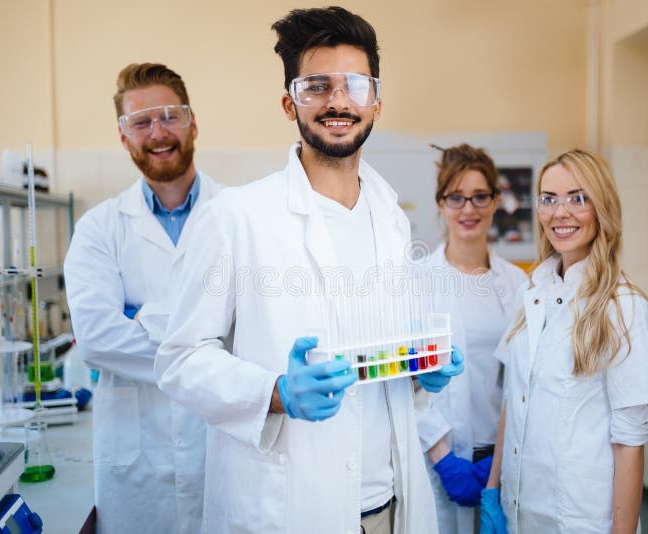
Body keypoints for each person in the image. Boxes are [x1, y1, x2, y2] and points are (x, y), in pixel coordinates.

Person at [155, 7, 463, 534]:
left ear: (376, 102)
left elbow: (381, 354)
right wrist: (276, 391)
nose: (338, 102)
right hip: (288, 509)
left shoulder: (390, 218)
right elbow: (180, 358)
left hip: (389, 506)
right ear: (289, 103)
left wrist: (420, 373)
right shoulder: (236, 217)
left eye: (355, 86)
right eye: (317, 87)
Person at [64, 63, 224, 534]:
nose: (158, 132)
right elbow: (96, 340)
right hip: (136, 474)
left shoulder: (237, 216)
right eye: (141, 122)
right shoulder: (98, 229)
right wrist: (207, 337)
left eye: (170, 116)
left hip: (221, 454)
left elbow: (253, 329)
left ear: (193, 123)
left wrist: (140, 319)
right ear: (123, 136)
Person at [479, 149, 648, 534]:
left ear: (602, 208)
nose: (559, 212)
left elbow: (629, 444)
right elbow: (514, 400)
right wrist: (493, 489)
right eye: (548, 199)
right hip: (519, 512)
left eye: (577, 198)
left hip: (579, 521)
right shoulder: (531, 292)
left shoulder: (622, 307)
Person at [417, 145, 527, 533]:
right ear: (441, 203)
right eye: (456, 197)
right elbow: (406, 381)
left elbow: (525, 379)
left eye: (480, 196)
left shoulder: (516, 283)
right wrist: (443, 458)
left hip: (502, 456)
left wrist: (501, 459)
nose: (469, 208)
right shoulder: (417, 281)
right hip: (439, 456)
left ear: (495, 201)